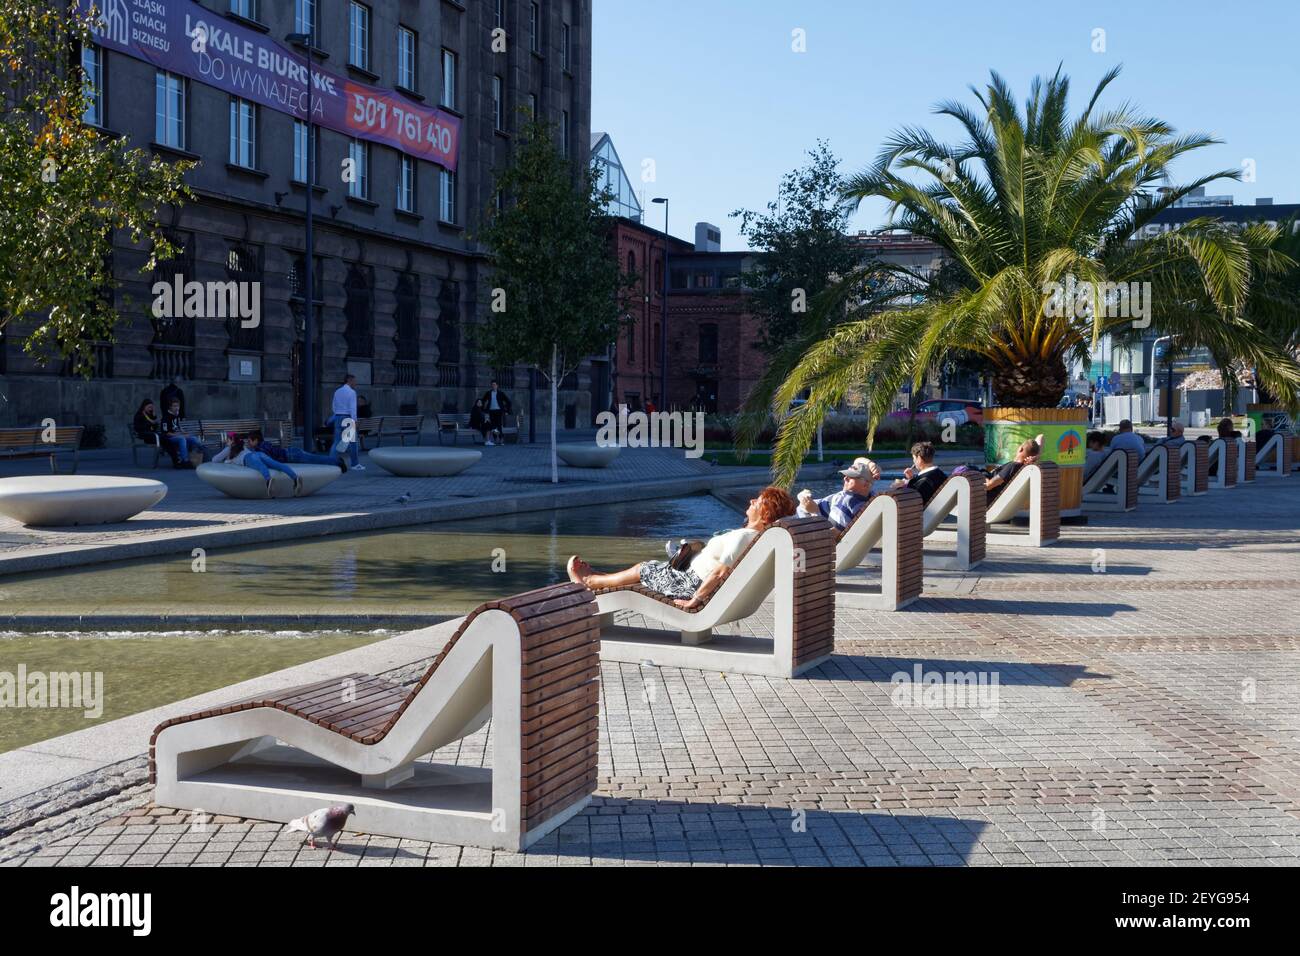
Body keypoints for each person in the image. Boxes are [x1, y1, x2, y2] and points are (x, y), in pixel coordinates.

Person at [565, 486, 797, 608]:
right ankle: (602, 578)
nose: (751, 502)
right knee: (652, 568)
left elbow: (721, 571)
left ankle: (592, 582)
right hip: (688, 576)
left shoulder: (743, 538)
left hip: (688, 584)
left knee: (643, 569)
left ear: (764, 513)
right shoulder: (755, 537)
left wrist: (695, 600)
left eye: (756, 502)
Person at [797, 457, 878, 529]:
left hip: (804, 516)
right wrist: (871, 464)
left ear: (865, 485)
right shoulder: (871, 497)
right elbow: (858, 460)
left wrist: (814, 512)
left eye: (851, 477)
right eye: (846, 475)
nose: (845, 478)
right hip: (809, 508)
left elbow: (830, 537)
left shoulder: (846, 501)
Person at [244, 429, 348, 472]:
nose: (248, 443)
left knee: (316, 460)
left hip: (292, 455)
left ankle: (337, 461)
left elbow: (267, 461)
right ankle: (336, 461)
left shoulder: (261, 448)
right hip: (291, 453)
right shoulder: (262, 445)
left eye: (249, 441)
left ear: (256, 440)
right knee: (315, 459)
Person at [985, 438, 1041, 504]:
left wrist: (983, 476)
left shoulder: (1012, 467)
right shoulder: (1023, 468)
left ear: (1021, 449)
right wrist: (1036, 457)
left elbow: (988, 486)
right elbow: (1041, 437)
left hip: (986, 496)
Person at [329, 374, 364, 471]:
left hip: (338, 416)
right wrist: (355, 420)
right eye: (354, 381)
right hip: (348, 418)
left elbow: (333, 406)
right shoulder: (352, 392)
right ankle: (355, 464)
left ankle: (330, 462)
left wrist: (337, 414)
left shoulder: (337, 391)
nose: (355, 383)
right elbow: (353, 408)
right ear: (349, 380)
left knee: (336, 441)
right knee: (352, 442)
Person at [161, 398, 204, 468]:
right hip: (170, 438)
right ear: (170, 407)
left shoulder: (177, 415)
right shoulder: (166, 417)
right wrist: (181, 435)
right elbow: (166, 433)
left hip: (178, 435)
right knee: (182, 439)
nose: (176, 408)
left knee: (193, 438)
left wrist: (184, 432)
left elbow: (177, 427)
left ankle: (203, 456)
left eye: (177, 406)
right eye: (174, 406)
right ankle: (185, 461)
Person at [132, 399, 172, 464]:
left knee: (166, 439)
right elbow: (139, 428)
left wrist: (154, 417)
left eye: (151, 407)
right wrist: (151, 423)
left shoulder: (149, 415)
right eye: (149, 407)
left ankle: (174, 456)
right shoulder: (139, 415)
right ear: (144, 407)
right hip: (146, 436)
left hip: (152, 435)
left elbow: (153, 428)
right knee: (165, 439)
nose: (150, 409)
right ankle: (174, 457)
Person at [480, 380, 512, 445]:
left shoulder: (501, 393)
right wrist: (484, 409)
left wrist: (507, 410)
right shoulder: (488, 393)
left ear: (497, 386)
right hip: (491, 411)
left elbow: (508, 401)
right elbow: (483, 400)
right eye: (492, 385)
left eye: (494, 385)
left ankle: (501, 439)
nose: (493, 386)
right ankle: (495, 439)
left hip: (499, 411)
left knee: (499, 425)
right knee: (493, 426)